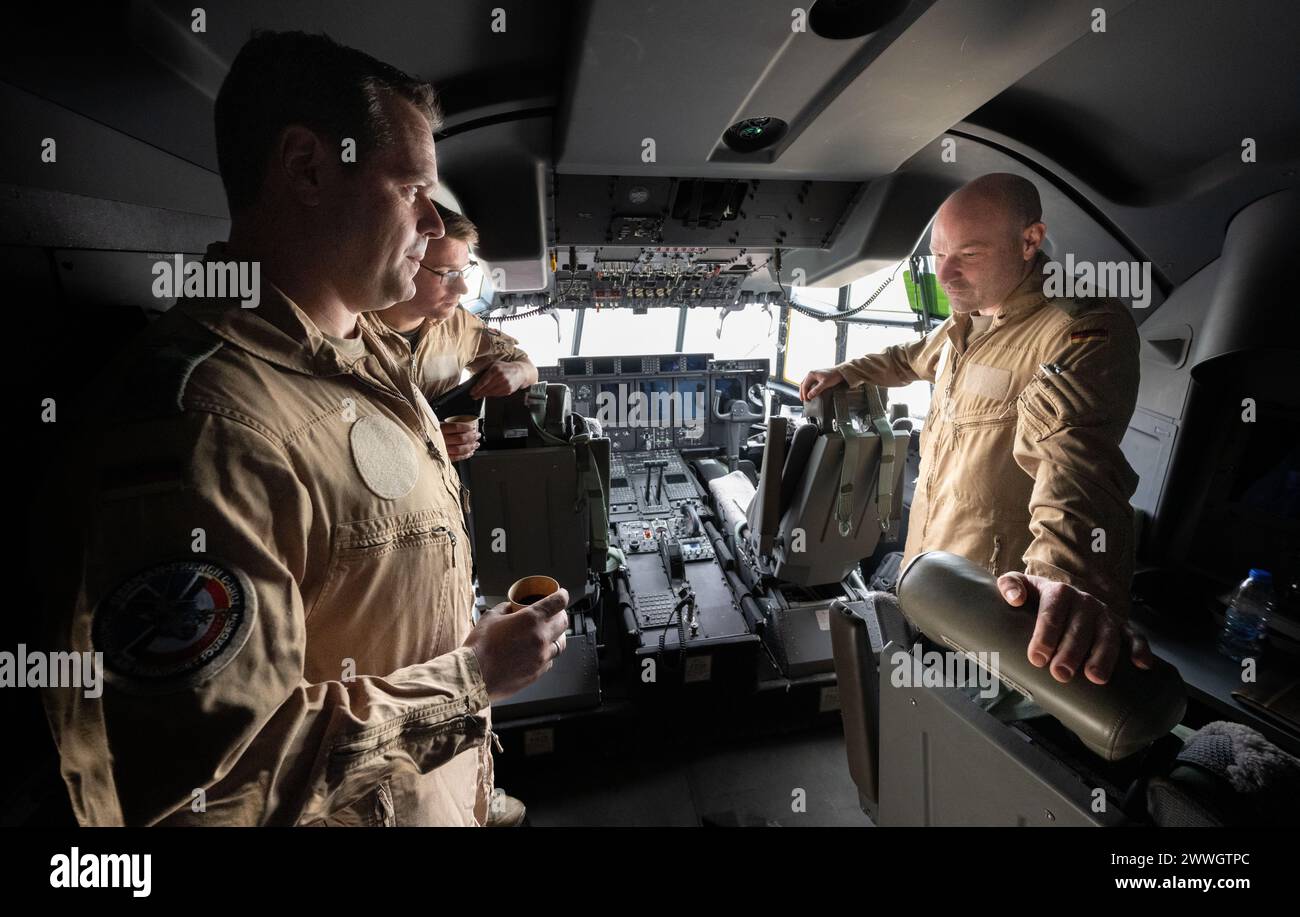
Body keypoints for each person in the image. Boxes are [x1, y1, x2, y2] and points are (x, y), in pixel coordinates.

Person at [40, 30, 568, 826]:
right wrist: (473, 677)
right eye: (413, 187)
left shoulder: (373, 348)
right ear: (307, 168)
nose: (433, 220)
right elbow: (214, 784)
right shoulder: (206, 424)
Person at [801, 173, 1152, 690]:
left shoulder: (1081, 329)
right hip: (925, 575)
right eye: (937, 254)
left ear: (1030, 241)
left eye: (967, 254)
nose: (945, 273)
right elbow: (910, 357)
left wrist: (1061, 590)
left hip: (994, 609)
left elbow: (1072, 465)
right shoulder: (966, 319)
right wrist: (848, 373)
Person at [367, 204, 537, 463]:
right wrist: (424, 443)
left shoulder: (460, 327)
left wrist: (517, 373)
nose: (463, 288)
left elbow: (527, 366)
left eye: (463, 270)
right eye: (448, 273)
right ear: (403, 263)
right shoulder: (349, 331)